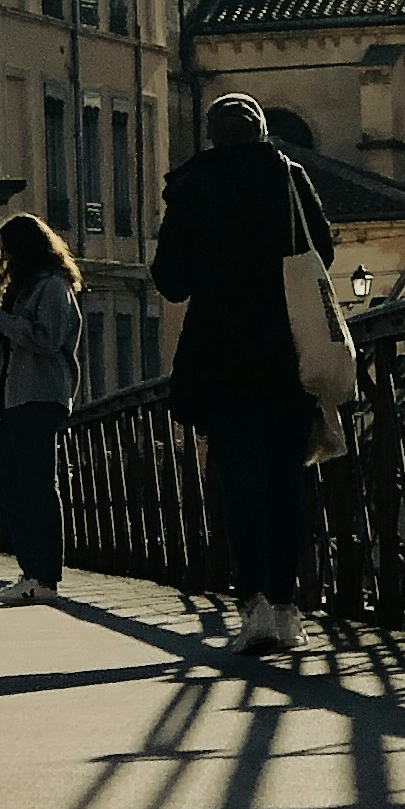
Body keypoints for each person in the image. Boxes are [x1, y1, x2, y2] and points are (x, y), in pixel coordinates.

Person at [149, 93, 333, 654]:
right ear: (261, 133)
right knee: (285, 479)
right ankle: (286, 607)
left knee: (237, 482)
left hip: (220, 355)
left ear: (212, 135)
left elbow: (171, 280)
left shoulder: (189, 184)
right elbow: (321, 249)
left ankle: (250, 602)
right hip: (285, 349)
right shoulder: (289, 176)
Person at [0, 214, 81, 605]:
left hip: (40, 396)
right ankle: (31, 572)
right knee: (15, 485)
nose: (4, 259)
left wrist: (0, 320)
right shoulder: (31, 288)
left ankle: (44, 576)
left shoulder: (53, 287)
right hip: (18, 396)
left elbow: (48, 338)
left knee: (37, 486)